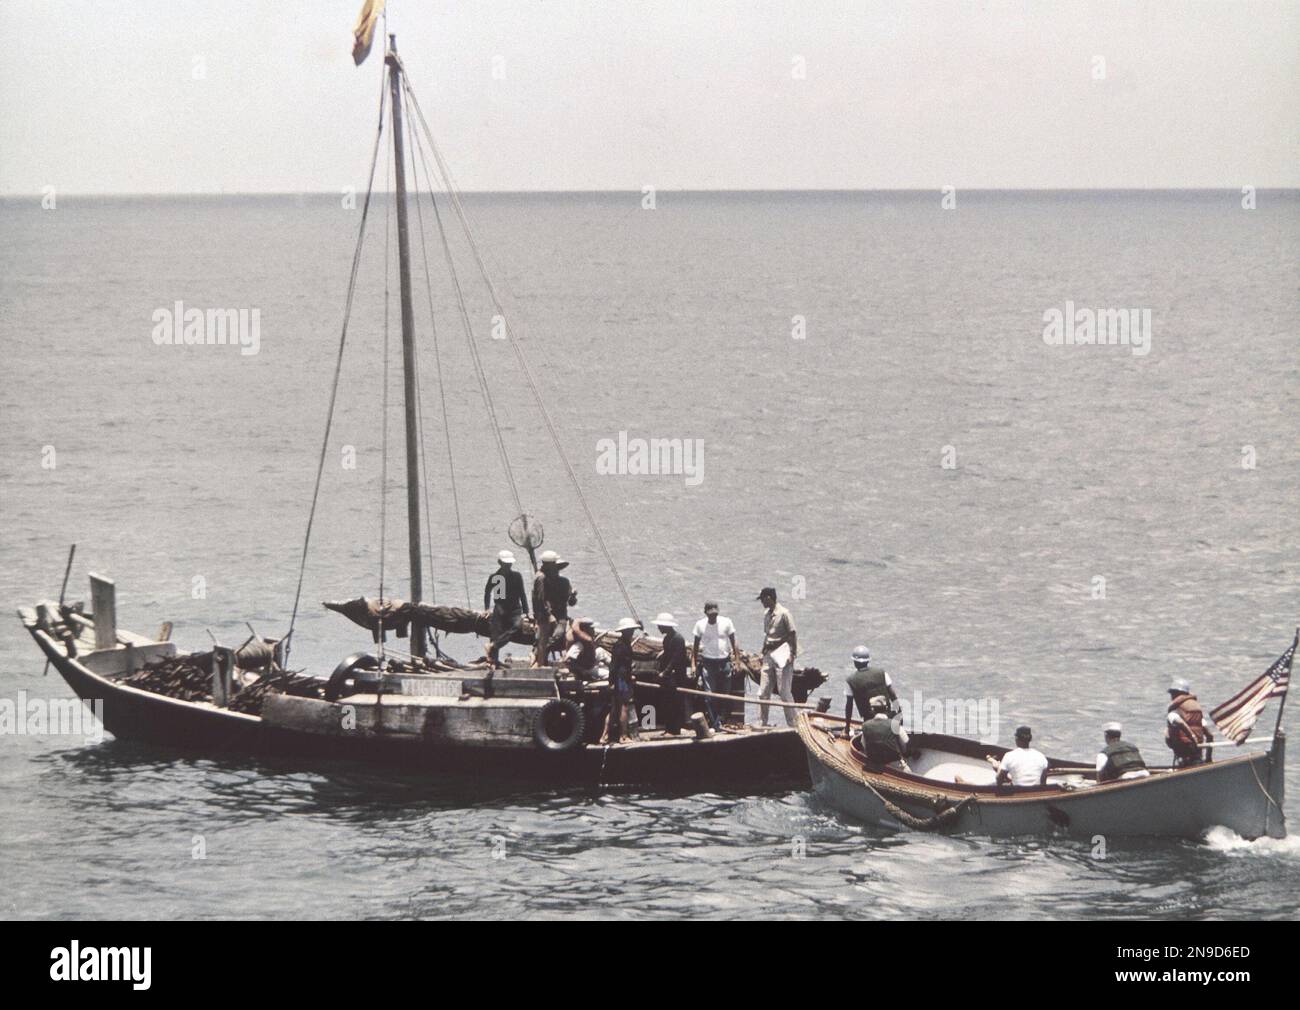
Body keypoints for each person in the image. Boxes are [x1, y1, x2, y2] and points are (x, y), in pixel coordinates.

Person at [692, 602, 739, 729]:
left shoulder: (726, 622)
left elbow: (734, 643)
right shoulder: (700, 625)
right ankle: (715, 723)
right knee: (709, 696)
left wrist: (737, 662)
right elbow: (695, 647)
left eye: (715, 614)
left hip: (724, 662)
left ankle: (721, 720)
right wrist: (693, 665)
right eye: (710, 614)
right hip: (708, 663)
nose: (713, 616)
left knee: (725, 695)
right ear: (705, 613)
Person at [756, 587, 798, 727]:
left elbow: (792, 634)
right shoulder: (766, 614)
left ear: (768, 598)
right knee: (763, 691)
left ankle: (793, 724)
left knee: (784, 692)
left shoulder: (784, 613)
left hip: (782, 653)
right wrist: (762, 653)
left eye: (762, 599)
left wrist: (792, 654)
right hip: (769, 654)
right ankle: (762, 722)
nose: (761, 602)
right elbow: (767, 635)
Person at [483, 550, 528, 667]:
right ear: (500, 563)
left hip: (515, 610)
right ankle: (492, 661)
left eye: (510, 564)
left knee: (517, 626)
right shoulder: (495, 577)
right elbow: (487, 592)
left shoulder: (517, 576)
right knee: (495, 631)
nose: (508, 566)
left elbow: (522, 594)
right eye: (506, 564)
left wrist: (526, 612)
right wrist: (487, 609)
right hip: (500, 608)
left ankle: (493, 645)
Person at [842, 645, 898, 737]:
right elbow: (893, 696)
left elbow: (849, 706)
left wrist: (847, 728)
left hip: (869, 721)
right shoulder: (882, 673)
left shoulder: (850, 680)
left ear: (854, 662)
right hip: (888, 717)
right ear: (868, 660)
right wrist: (899, 714)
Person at [533, 550, 577, 666]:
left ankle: (538, 654)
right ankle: (539, 659)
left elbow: (571, 603)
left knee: (558, 635)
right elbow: (540, 600)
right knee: (543, 637)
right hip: (546, 615)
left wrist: (573, 596)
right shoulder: (543, 580)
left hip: (561, 616)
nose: (555, 571)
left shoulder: (564, 582)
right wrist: (549, 615)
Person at [602, 617, 640, 744]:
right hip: (621, 680)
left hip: (621, 678)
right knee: (624, 706)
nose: (633, 632)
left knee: (614, 708)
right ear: (627, 631)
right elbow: (615, 665)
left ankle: (604, 736)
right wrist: (612, 682)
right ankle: (623, 736)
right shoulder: (621, 645)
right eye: (632, 630)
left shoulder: (623, 643)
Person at [654, 612, 689, 735]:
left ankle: (675, 729)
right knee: (667, 703)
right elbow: (667, 655)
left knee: (675, 703)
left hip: (676, 676)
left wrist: (665, 672)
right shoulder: (667, 639)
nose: (658, 628)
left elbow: (676, 659)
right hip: (669, 676)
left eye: (660, 626)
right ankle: (668, 728)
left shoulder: (678, 639)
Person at [1165, 677, 1213, 768]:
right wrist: (1208, 758)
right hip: (1198, 756)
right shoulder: (1196, 712)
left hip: (1184, 754)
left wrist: (1192, 736)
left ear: (1176, 694)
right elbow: (1210, 735)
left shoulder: (1173, 713)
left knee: (1167, 731)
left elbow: (1180, 723)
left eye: (1172, 694)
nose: (1171, 697)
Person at [564, 617, 599, 684]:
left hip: (590, 663)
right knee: (607, 674)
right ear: (585, 629)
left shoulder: (587, 640)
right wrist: (581, 671)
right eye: (592, 629)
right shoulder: (579, 644)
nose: (594, 631)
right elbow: (568, 660)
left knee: (600, 651)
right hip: (587, 669)